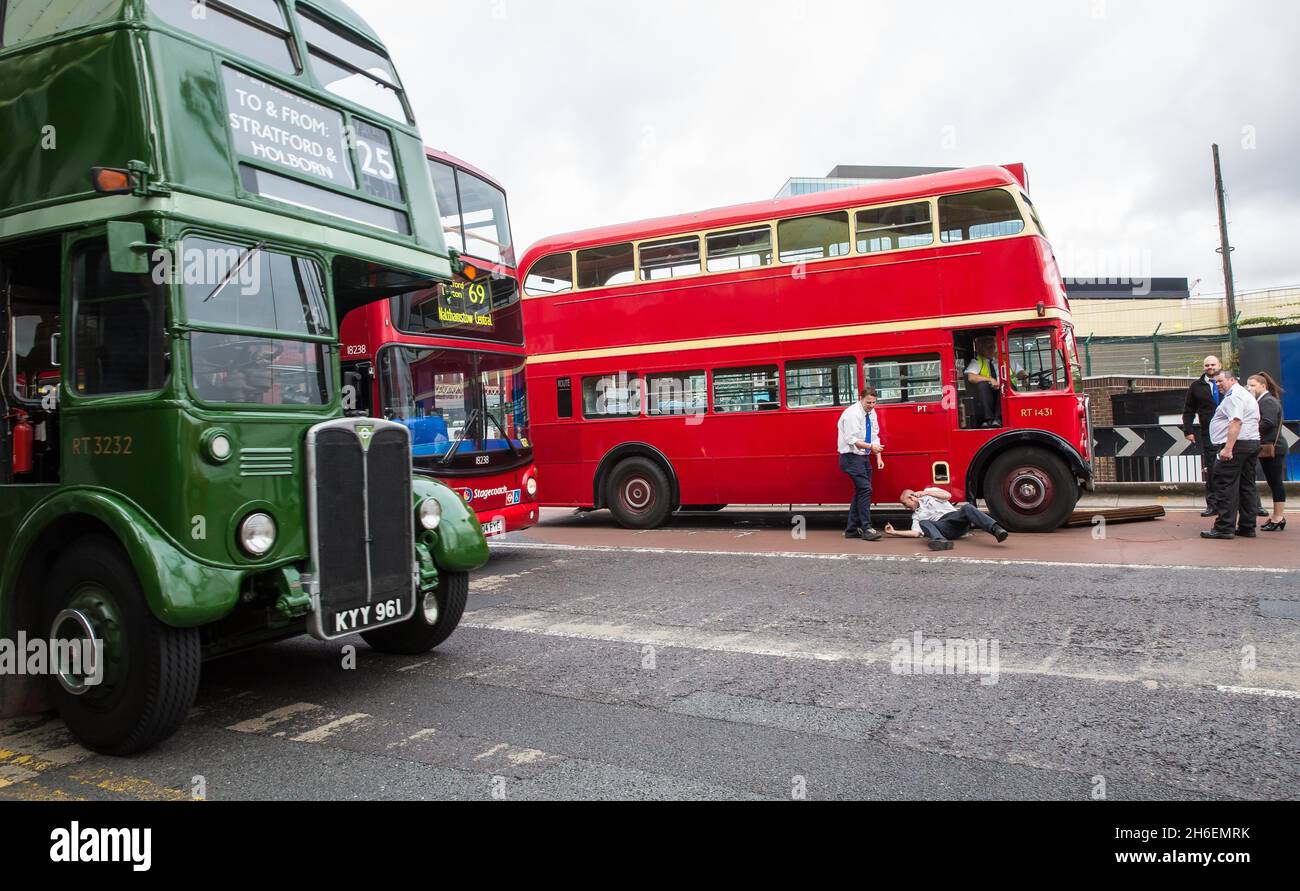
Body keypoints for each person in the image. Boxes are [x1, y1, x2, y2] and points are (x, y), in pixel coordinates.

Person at [1202, 369, 1263, 540]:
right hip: (1251, 443)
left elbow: (1236, 421)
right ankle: (1247, 526)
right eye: (1216, 382)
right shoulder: (1244, 394)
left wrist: (1228, 448)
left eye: (1221, 381)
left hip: (1237, 445)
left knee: (1225, 485)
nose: (1218, 385)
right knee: (1247, 485)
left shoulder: (1234, 396)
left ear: (1232, 380)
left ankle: (1224, 527)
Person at [885, 487, 1009, 551]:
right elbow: (916, 533)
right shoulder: (916, 515)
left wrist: (927, 493)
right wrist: (894, 532)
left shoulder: (929, 492)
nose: (906, 508)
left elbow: (948, 495)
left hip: (956, 518)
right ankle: (941, 541)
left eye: (906, 504)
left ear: (912, 498)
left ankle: (996, 530)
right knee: (924, 522)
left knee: (967, 507)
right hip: (944, 527)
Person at [838, 388, 885, 542]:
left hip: (863, 457)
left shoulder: (871, 413)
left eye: (874, 402)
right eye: (868, 402)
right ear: (861, 399)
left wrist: (878, 456)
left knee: (861, 492)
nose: (871, 405)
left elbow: (874, 435)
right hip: (851, 457)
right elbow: (851, 440)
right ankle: (866, 528)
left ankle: (851, 529)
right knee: (865, 489)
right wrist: (872, 448)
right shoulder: (853, 414)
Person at [1183, 355, 1224, 518]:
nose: (1210, 367)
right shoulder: (1196, 386)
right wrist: (1188, 430)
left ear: (1219, 365)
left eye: (1213, 364)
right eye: (1207, 365)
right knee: (1212, 469)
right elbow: (1188, 410)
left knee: (1240, 469)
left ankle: (1252, 505)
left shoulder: (1229, 382)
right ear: (1203, 367)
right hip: (1209, 433)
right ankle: (1213, 505)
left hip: (1231, 432)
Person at [1248, 372, 1289, 532]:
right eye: (1248, 385)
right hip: (1270, 447)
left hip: (1274, 448)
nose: (1249, 388)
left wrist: (1248, 429)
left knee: (1276, 482)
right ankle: (1275, 516)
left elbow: (1268, 422)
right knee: (1273, 482)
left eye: (1253, 385)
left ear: (1263, 386)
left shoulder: (1268, 401)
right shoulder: (1263, 400)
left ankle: (1278, 517)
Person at [965, 337, 1002, 427]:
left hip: (1001, 392)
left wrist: (1023, 375)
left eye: (993, 347)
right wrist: (990, 379)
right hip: (985, 395)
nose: (991, 350)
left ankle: (998, 419)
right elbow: (971, 377)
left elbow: (1019, 372)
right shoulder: (977, 361)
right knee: (982, 385)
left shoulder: (1001, 360)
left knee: (1005, 387)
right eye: (988, 348)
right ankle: (988, 419)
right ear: (981, 350)